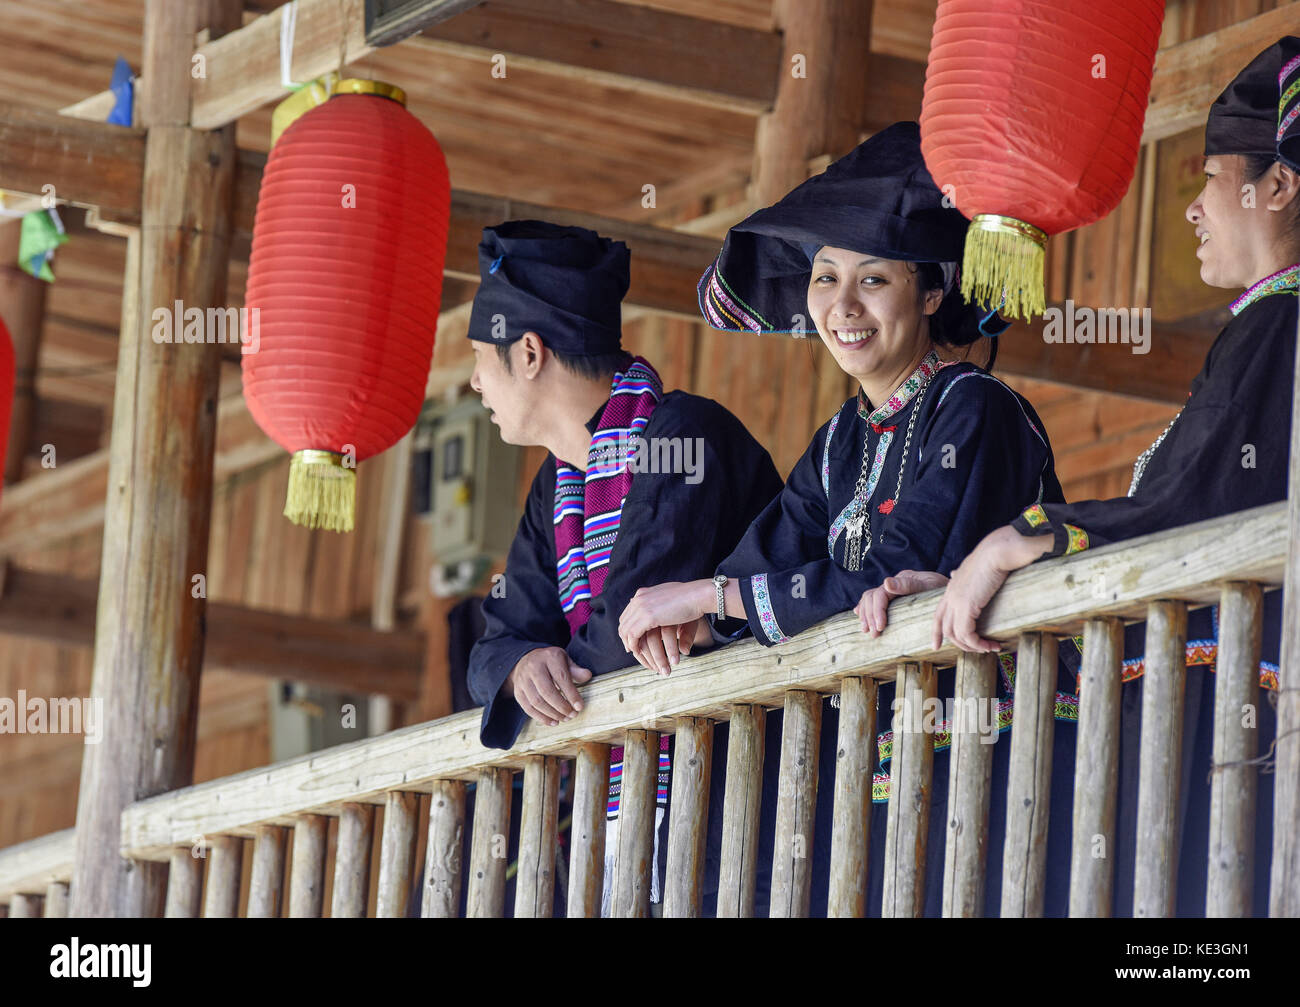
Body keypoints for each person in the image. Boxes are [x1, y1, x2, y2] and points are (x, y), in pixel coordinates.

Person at [863, 37, 1300, 916]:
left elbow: (1195, 507)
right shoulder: (1264, 330)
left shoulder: (1280, 327)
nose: (1194, 209)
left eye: (1209, 177)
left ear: (1277, 186)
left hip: (1228, 716)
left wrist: (1028, 535)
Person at [618, 122, 1078, 915]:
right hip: (873, 762)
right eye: (825, 278)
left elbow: (885, 575)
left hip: (987, 751)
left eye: (873, 280)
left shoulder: (975, 408)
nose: (842, 305)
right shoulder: (838, 442)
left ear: (931, 292)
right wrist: (703, 621)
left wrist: (701, 599)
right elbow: (764, 566)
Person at [464, 220, 784, 913]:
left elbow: (627, 631)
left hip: (734, 799)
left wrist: (552, 666)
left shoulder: (684, 436)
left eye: (479, 360)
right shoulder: (557, 488)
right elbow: (496, 644)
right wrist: (521, 668)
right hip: (632, 814)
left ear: (527, 353)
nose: (472, 382)